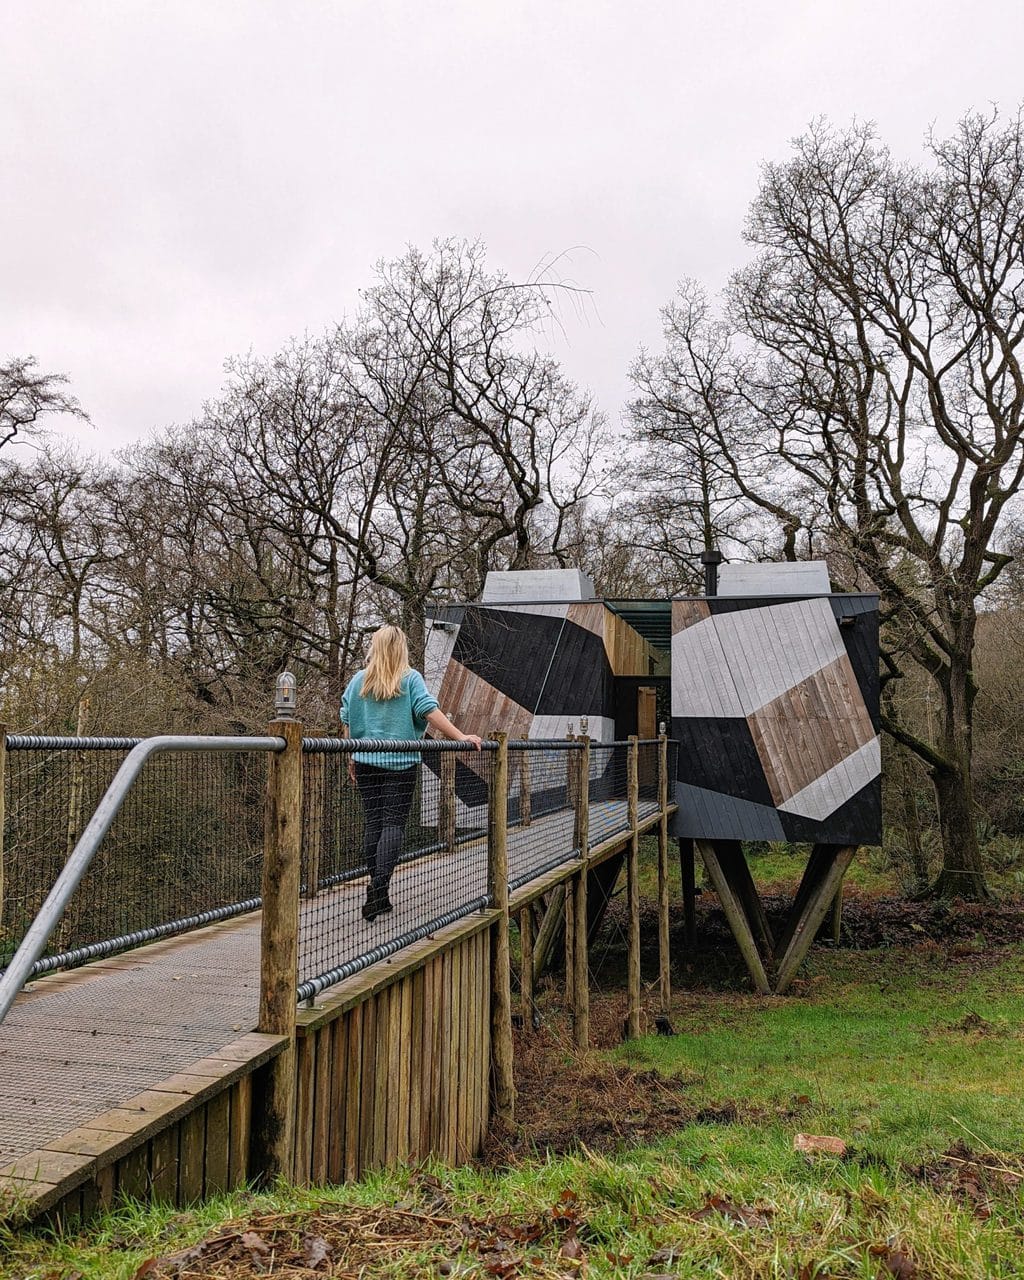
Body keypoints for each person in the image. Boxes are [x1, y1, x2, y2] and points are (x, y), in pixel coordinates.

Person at [341, 625, 482, 922]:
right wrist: (460, 737)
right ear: (402, 648)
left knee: (374, 823)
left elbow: (346, 718)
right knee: (393, 825)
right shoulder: (410, 679)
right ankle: (378, 890)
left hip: (365, 760)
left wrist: (351, 756)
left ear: (375, 647)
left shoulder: (358, 681)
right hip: (401, 764)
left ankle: (380, 894)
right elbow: (430, 711)